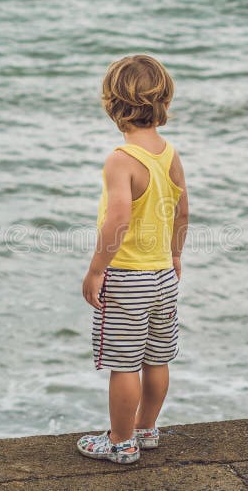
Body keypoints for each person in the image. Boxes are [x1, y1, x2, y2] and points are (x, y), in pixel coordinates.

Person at [77, 54, 189, 464]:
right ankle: (146, 428)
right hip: (162, 275)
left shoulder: (121, 160)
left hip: (127, 277)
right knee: (156, 358)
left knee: (124, 365)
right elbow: (183, 209)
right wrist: (175, 254)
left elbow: (118, 217)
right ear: (163, 102)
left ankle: (121, 442)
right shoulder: (168, 154)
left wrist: (95, 269)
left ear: (113, 104)